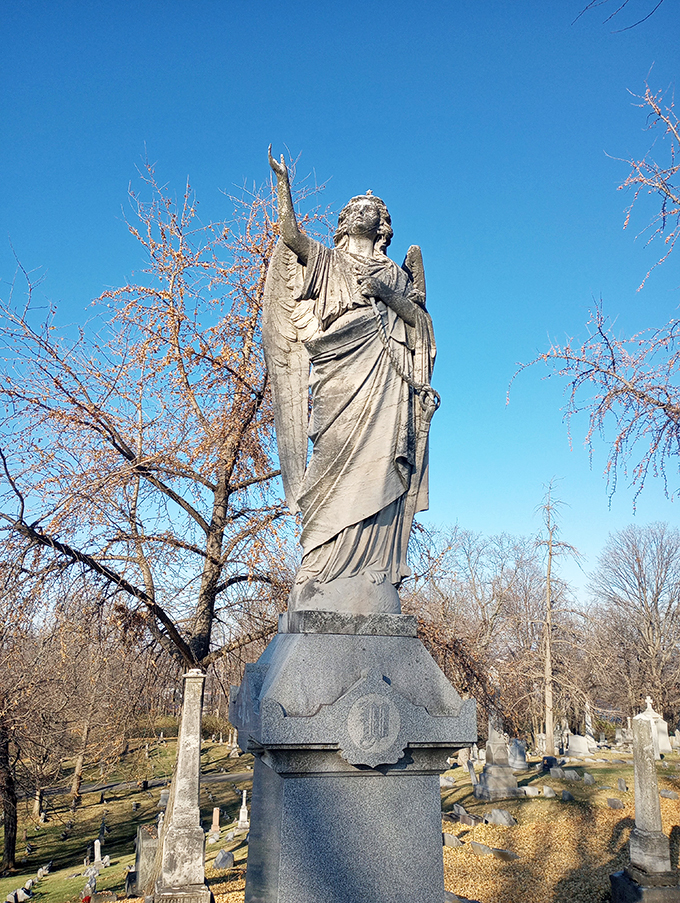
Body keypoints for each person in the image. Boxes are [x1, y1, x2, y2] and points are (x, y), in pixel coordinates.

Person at [265, 148, 437, 613]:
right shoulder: (326, 260)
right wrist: (283, 185)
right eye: (355, 209)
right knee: (330, 460)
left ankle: (370, 572)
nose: (363, 212)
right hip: (339, 372)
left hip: (387, 376)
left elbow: (419, 324)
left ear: (382, 224)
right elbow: (291, 236)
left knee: (381, 466)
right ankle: (319, 566)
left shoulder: (395, 273)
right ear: (345, 221)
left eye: (371, 209)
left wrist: (386, 293)